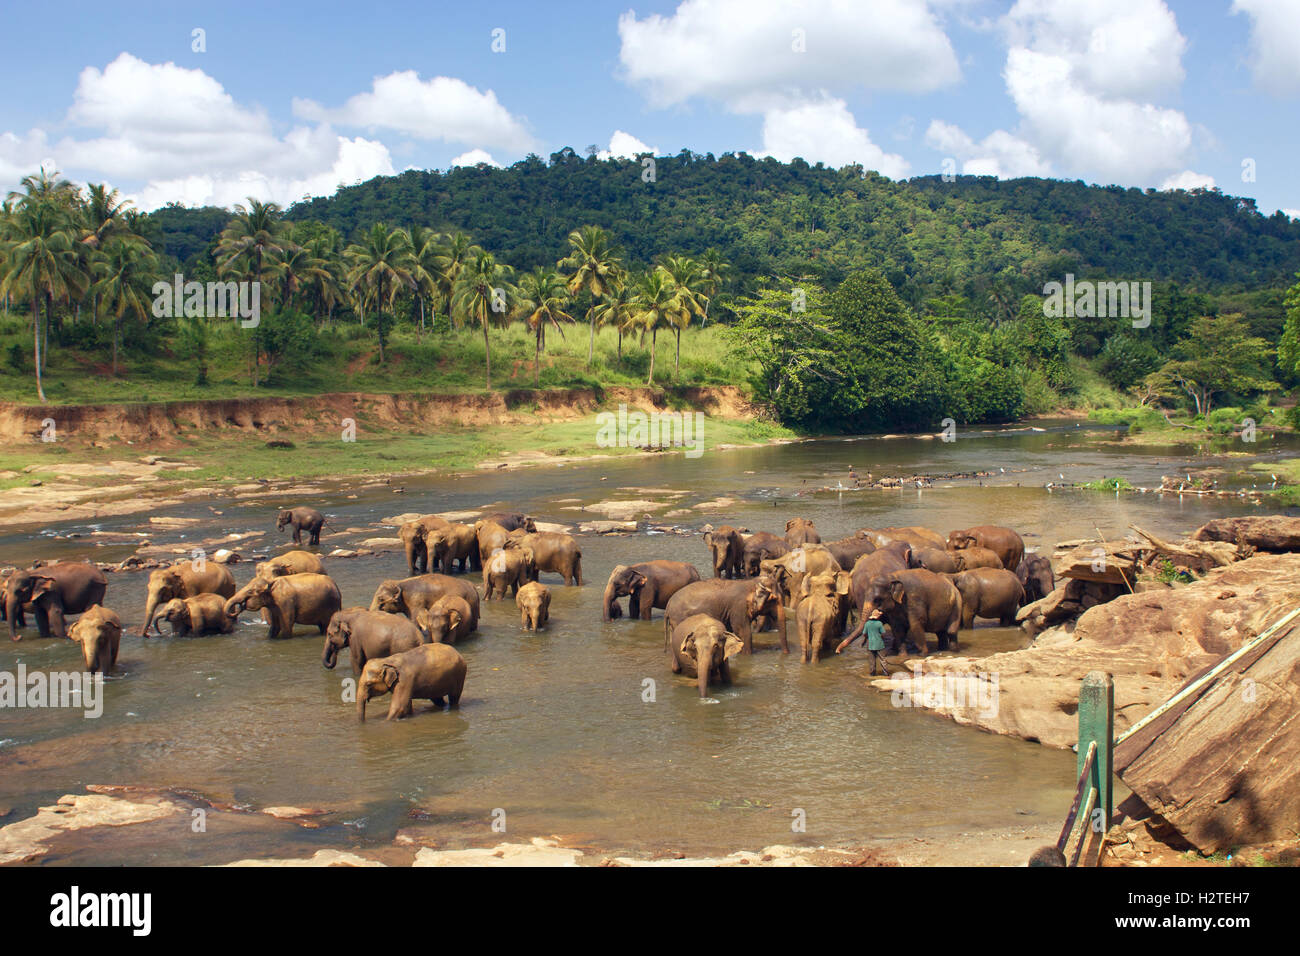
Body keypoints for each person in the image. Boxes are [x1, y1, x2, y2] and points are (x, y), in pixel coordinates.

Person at [838, 610, 889, 674]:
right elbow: (883, 633)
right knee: (882, 659)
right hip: (879, 644)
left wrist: (866, 638)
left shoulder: (867, 624)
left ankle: (872, 674)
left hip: (870, 644)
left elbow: (864, 633)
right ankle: (886, 673)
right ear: (878, 617)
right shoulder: (879, 623)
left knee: (872, 661)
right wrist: (880, 637)